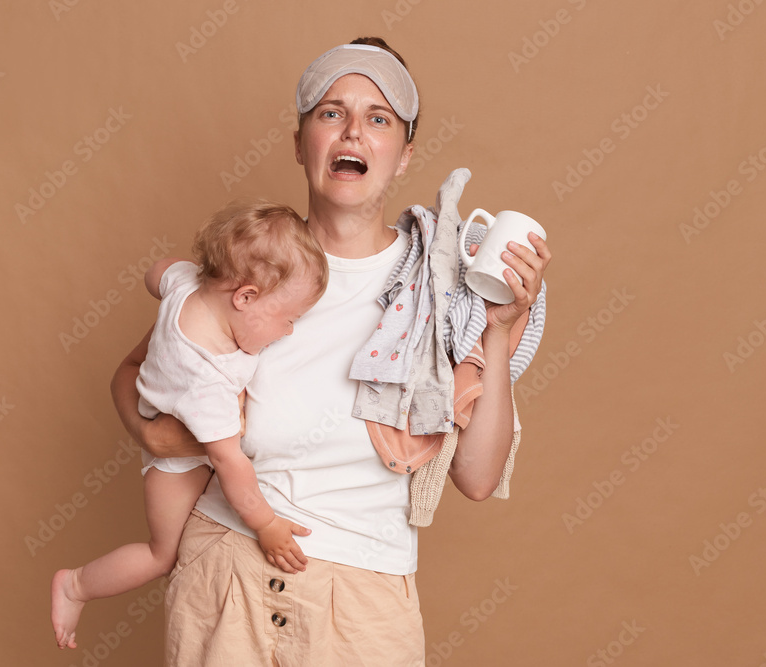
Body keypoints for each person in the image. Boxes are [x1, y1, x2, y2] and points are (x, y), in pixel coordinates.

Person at [110, 38, 552, 666]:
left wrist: (499, 331)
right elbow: (134, 373)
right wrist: (152, 434)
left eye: (379, 118)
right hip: (226, 580)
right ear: (300, 143)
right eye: (331, 112)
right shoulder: (253, 263)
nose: (353, 132)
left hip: (363, 606)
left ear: (405, 153)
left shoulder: (445, 288)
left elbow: (477, 478)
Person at [51, 200, 329, 649]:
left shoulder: (187, 284)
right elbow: (230, 463)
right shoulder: (206, 381)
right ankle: (76, 585)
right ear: (245, 298)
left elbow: (157, 272)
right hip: (174, 465)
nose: (289, 331)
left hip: (167, 416)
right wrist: (266, 524)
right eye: (288, 319)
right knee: (161, 555)